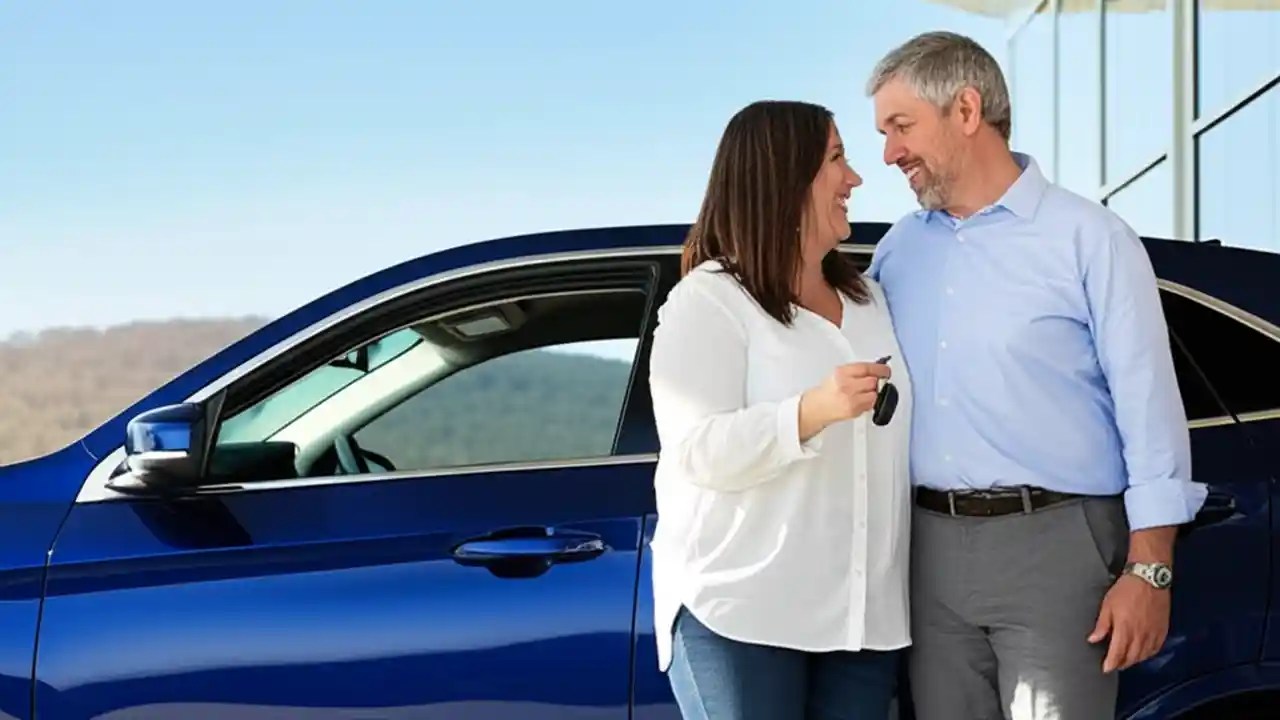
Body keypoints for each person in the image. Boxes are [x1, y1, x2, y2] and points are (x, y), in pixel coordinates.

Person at [863, 31, 1208, 720]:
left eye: (902, 127)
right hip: (925, 554)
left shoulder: (1089, 238)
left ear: (966, 110)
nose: (889, 154)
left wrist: (1151, 570)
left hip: (1059, 549)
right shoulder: (898, 251)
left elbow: (1149, 409)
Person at [646, 99, 914, 719]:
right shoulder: (709, 302)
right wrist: (809, 411)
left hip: (862, 621)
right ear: (784, 176)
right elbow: (696, 451)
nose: (855, 179)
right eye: (837, 160)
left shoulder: (871, 299)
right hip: (743, 613)